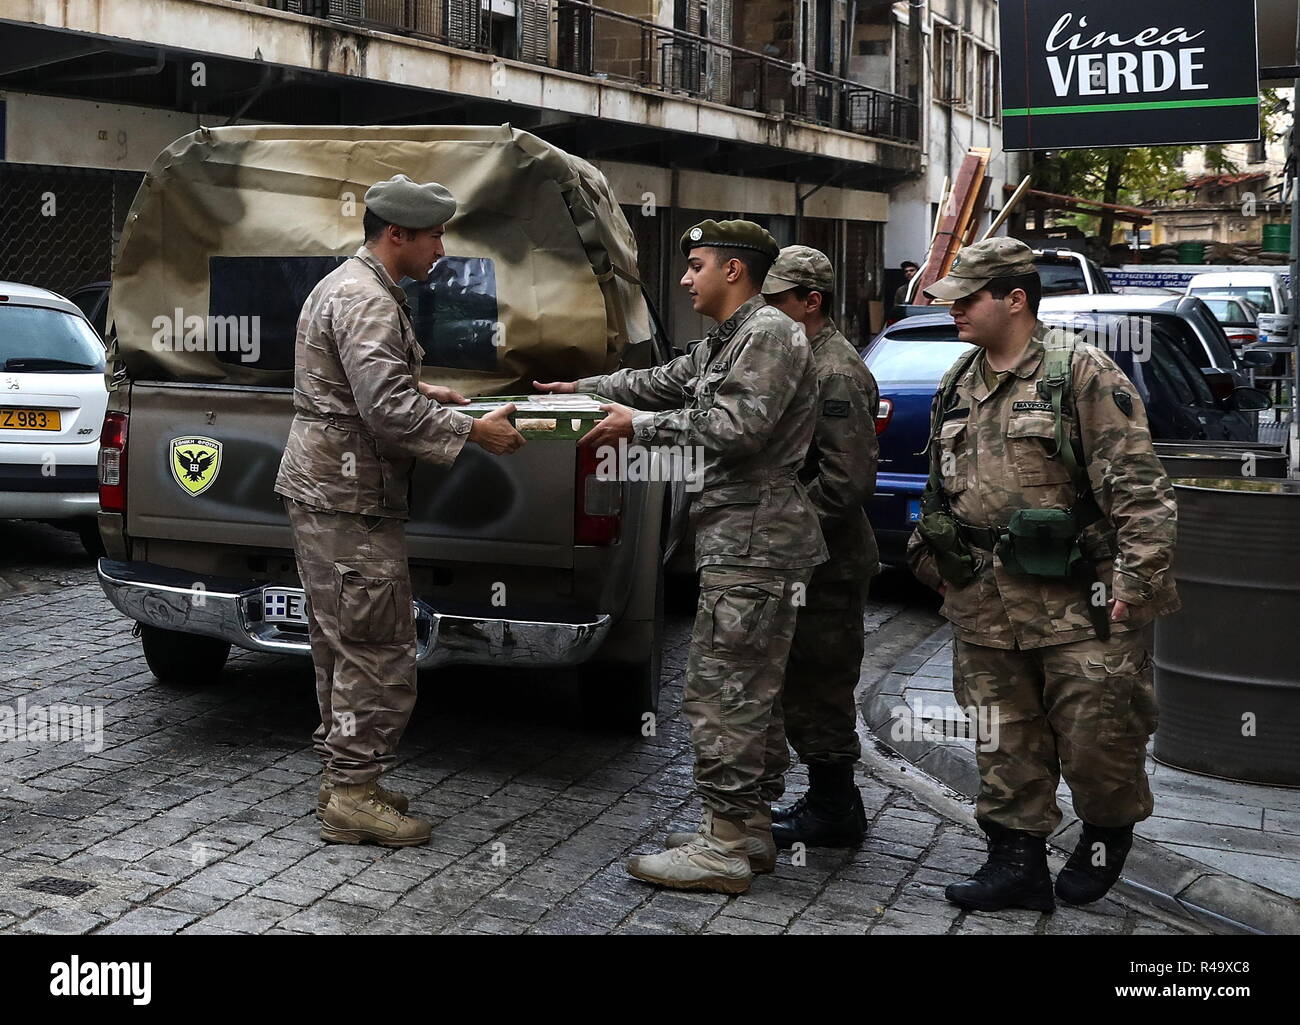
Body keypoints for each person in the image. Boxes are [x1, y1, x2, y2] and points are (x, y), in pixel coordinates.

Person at [534, 220, 826, 894]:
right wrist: (586, 390)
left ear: (734, 271)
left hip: (759, 541)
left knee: (722, 691)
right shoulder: (730, 338)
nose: (686, 278)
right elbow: (661, 381)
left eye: (696, 265)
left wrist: (634, 427)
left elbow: (735, 427)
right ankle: (746, 826)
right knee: (750, 690)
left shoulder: (770, 334)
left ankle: (723, 845)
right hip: (742, 538)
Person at [906, 237, 1179, 912]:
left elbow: (1140, 490)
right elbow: (941, 488)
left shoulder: (1080, 372)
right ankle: (1016, 863)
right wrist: (931, 560)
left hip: (1078, 600)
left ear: (1015, 298)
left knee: (1099, 737)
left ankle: (1107, 830)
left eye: (967, 298)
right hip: (984, 600)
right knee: (1004, 737)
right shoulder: (958, 379)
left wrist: (1135, 585)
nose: (955, 310)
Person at [274, 174, 525, 847]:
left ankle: (345, 780)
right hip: (350, 499)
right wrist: (476, 431)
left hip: (332, 491)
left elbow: (363, 385)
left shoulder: (349, 286)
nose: (442, 246)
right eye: (435, 234)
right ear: (399, 235)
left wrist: (421, 388)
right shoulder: (369, 302)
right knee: (376, 648)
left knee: (339, 641)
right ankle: (353, 793)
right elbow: (384, 412)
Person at [758, 245, 881, 848]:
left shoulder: (834, 370)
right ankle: (828, 799)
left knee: (821, 683)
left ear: (813, 301)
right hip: (804, 554)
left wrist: (785, 530)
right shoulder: (798, 357)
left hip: (826, 561)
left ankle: (835, 806)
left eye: (781, 301)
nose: (771, 313)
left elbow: (848, 479)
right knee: (794, 682)